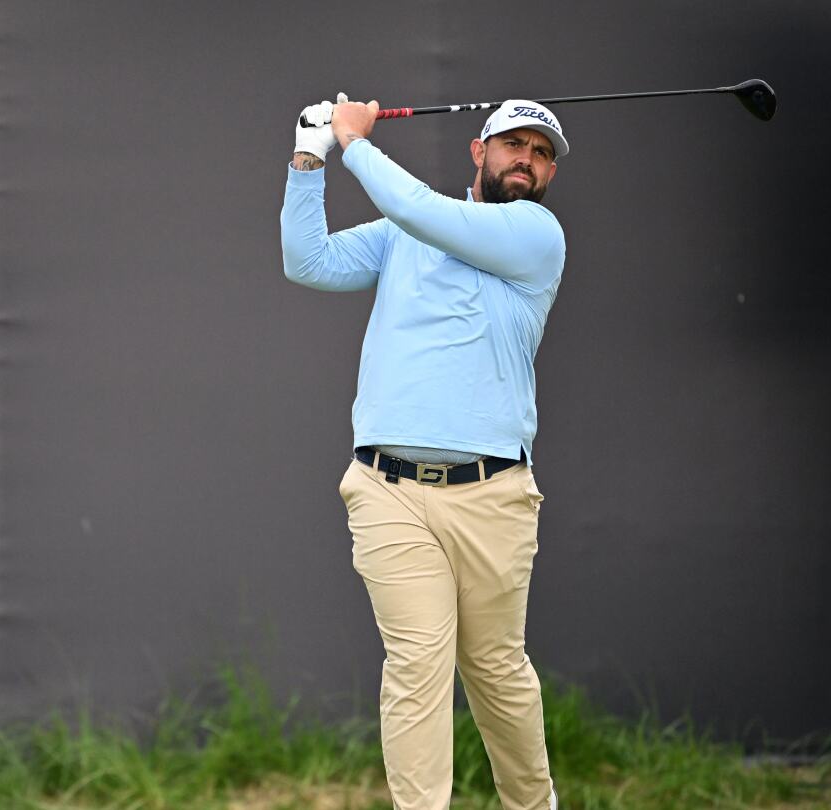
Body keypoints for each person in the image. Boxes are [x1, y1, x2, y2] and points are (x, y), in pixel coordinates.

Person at [280, 94, 568, 810]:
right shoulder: (401, 231)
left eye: (541, 153)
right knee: (416, 667)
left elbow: (423, 211)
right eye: (514, 146)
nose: (526, 160)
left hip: (493, 495)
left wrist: (356, 140)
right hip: (389, 490)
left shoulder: (536, 235)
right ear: (479, 151)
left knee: (497, 672)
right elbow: (307, 261)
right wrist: (309, 156)